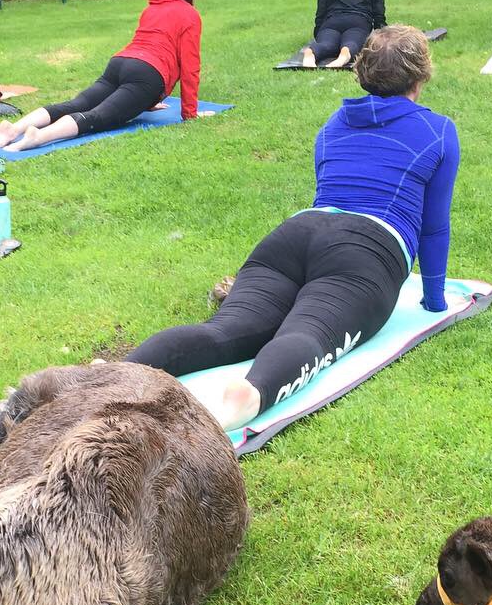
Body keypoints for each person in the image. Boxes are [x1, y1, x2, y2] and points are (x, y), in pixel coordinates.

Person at [125, 25, 458, 432]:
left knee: (224, 331)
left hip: (294, 235)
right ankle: (246, 397)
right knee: (311, 332)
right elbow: (434, 228)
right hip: (366, 250)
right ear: (420, 78)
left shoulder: (334, 125)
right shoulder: (438, 131)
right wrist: (434, 301)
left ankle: (111, 375)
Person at [0, 0, 208, 152]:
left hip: (120, 63)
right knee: (97, 117)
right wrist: (190, 113)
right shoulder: (190, 15)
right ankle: (37, 137)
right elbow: (190, 67)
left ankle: (14, 129)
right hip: (147, 74)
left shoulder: (152, 8)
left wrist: (147, 100)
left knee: (76, 104)